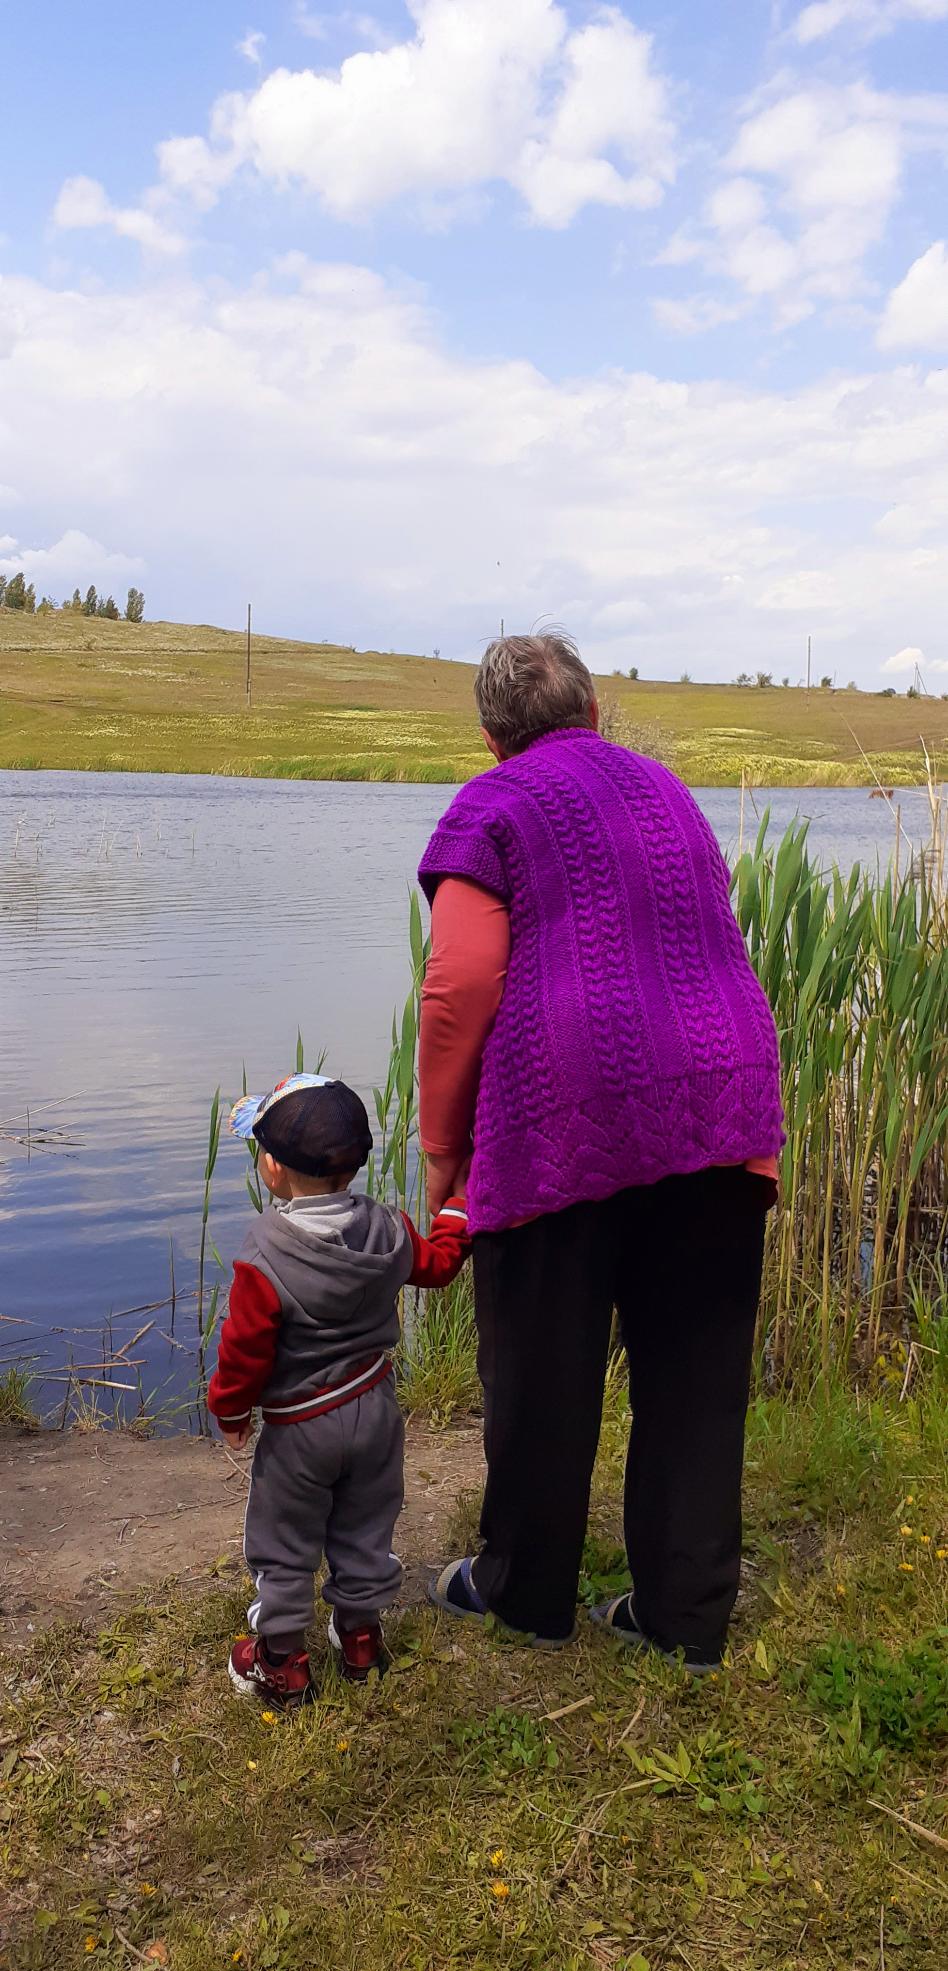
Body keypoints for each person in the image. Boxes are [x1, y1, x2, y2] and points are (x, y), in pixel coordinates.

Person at [419, 634, 783, 1671]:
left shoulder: (490, 807)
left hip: (568, 1108)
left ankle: (525, 1592)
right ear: (596, 706)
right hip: (722, 1094)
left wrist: (443, 1152)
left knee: (542, 1364)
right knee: (697, 1370)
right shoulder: (667, 792)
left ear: (490, 734)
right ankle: (685, 1616)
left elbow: (458, 986)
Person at [207, 1072, 467, 1704]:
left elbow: (244, 1352)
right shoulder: (388, 1228)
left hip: (301, 1430)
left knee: (285, 1542)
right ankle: (358, 1639)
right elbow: (438, 1265)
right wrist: (457, 1210)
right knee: (364, 1527)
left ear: (271, 1170)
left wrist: (231, 1409)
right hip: (376, 1412)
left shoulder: (265, 1255)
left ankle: (281, 1663)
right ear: (353, 1167)